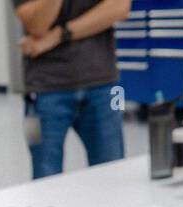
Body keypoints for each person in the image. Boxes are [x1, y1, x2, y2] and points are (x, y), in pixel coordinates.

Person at [14, 0, 132, 179]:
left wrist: (59, 35)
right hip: (41, 92)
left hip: (106, 86)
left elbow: (120, 8)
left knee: (114, 173)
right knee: (44, 177)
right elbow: (36, 26)